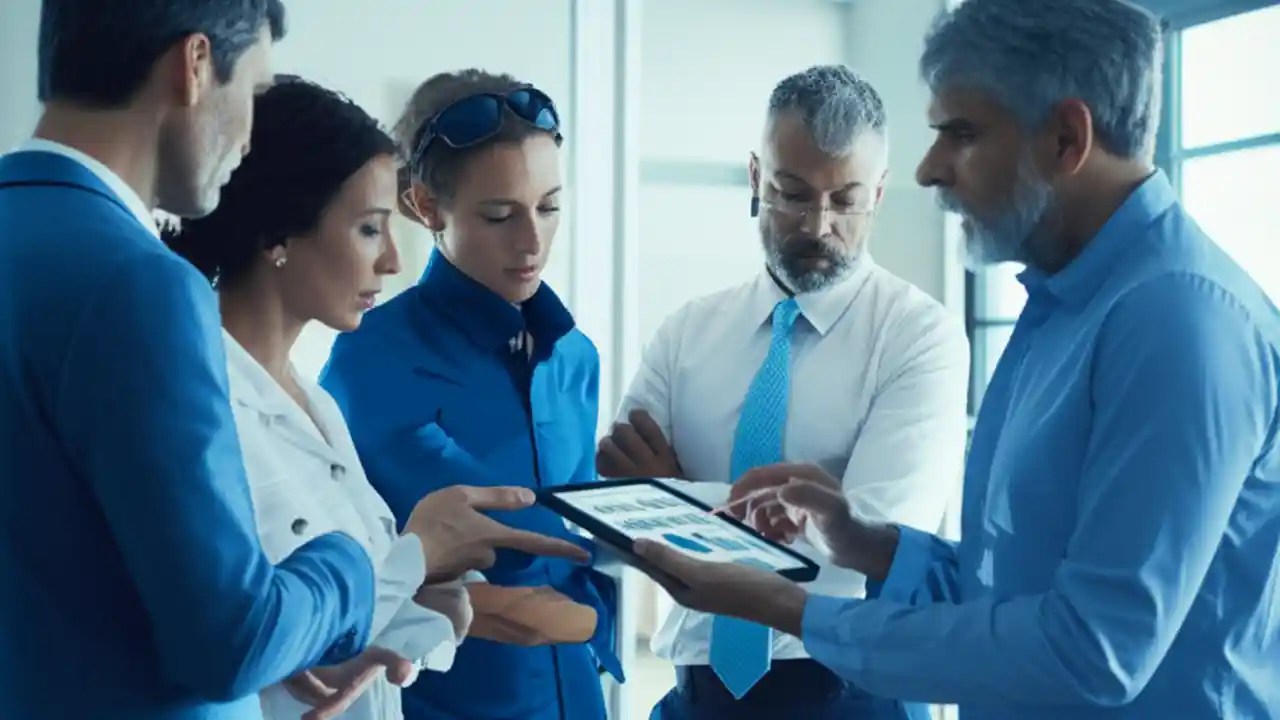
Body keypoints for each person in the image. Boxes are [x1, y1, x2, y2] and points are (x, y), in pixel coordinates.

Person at [625, 1, 1280, 719]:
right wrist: (867, 543)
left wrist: (792, 610)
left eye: (960, 134)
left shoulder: (1178, 320)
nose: (930, 170)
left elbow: (1091, 651)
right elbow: (1013, 590)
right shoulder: (1063, 311)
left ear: (1066, 138)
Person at [0, 3, 586, 719]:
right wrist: (387, 562)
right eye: (249, 93)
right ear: (194, 68)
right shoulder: (142, 282)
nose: (244, 139)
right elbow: (230, 642)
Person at [164, 76, 588, 720]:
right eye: (369, 229)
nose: (392, 260)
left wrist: (424, 602)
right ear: (279, 234)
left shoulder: (315, 406)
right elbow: (235, 634)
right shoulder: (207, 410)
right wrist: (415, 563)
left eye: (549, 206)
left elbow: (363, 611)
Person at [597, 64, 968, 720]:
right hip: (697, 691)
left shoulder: (920, 337)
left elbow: (876, 542)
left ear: (877, 195)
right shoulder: (686, 332)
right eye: (792, 194)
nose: (818, 225)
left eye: (846, 200)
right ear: (754, 178)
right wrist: (749, 520)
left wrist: (679, 502)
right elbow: (620, 514)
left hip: (849, 691)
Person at [318, 69, 620, 720]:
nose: (533, 241)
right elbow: (516, 549)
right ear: (425, 206)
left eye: (549, 206)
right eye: (499, 215)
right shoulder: (372, 363)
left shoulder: (576, 359)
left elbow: (584, 540)